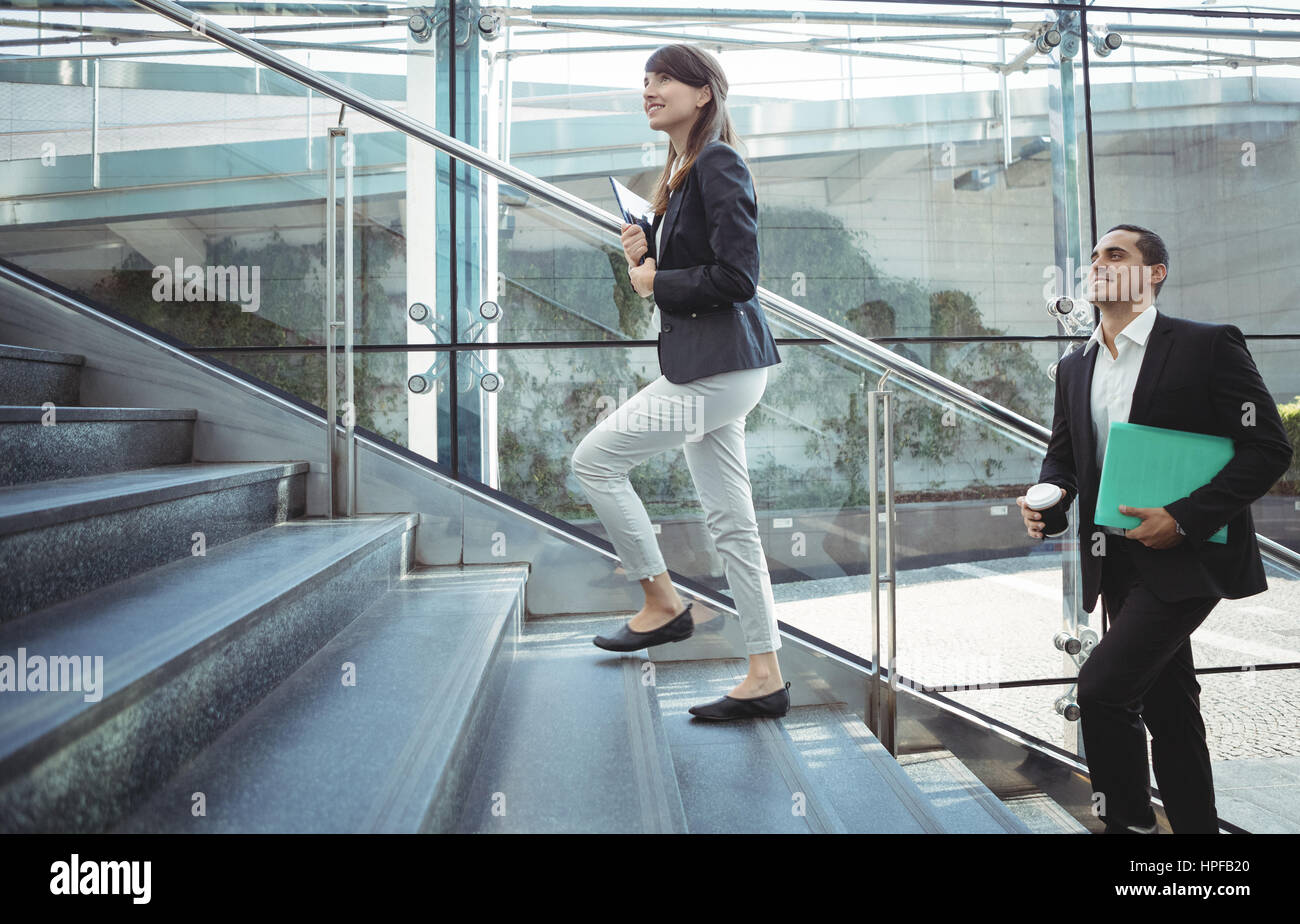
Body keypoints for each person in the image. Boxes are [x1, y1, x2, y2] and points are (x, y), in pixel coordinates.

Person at [1017, 224, 1293, 833]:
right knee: (1171, 706)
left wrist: (1185, 517)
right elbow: (1065, 458)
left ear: (1155, 273)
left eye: (1116, 254)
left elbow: (1268, 447)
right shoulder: (1074, 366)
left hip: (1187, 557)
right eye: (1094, 257)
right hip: (1112, 559)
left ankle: (1133, 830)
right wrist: (1050, 501)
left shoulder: (1206, 345)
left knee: (1102, 690)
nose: (1099, 264)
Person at [572, 43, 788, 720]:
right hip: (716, 367)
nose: (649, 88)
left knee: (595, 462)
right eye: (644, 79)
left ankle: (663, 603)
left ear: (703, 93)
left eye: (664, 78)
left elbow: (738, 276)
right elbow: (690, 268)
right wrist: (648, 250)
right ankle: (765, 674)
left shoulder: (718, 161)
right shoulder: (682, 168)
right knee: (733, 525)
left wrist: (654, 279)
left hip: (717, 370)